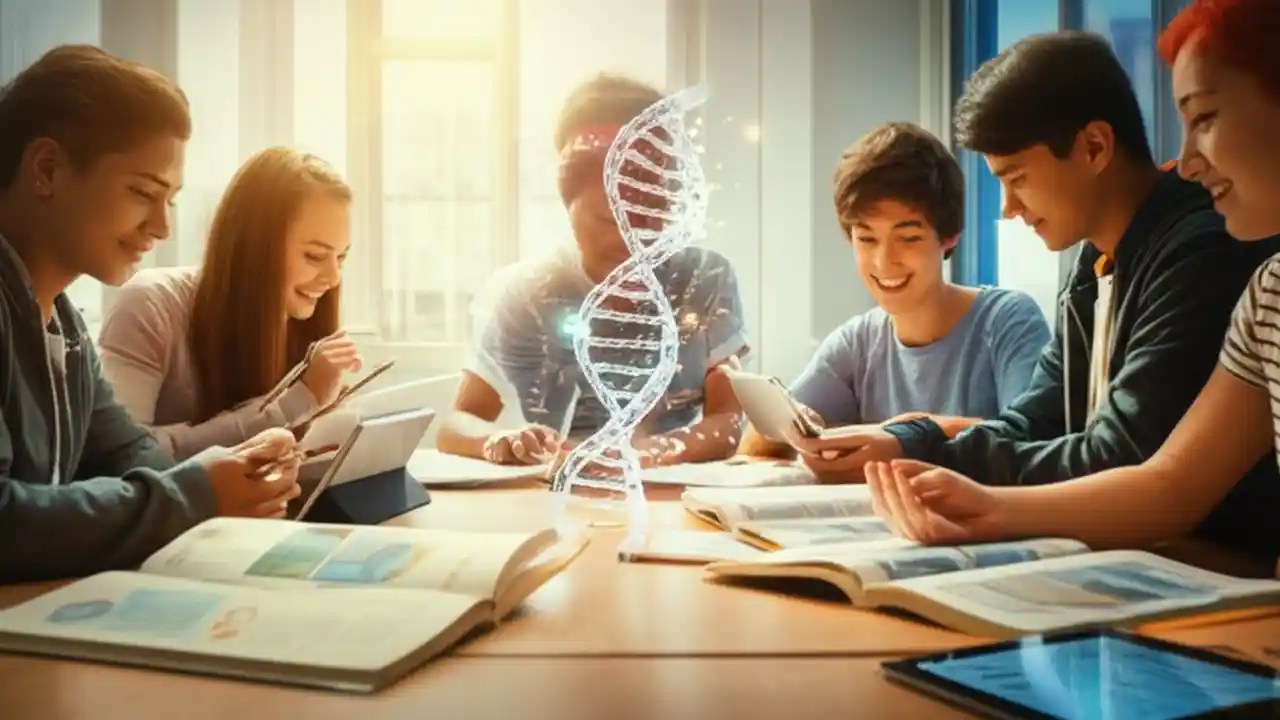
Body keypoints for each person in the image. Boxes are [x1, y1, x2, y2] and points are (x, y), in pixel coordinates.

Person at [792, 29, 1280, 557]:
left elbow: (1125, 459)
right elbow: (1040, 421)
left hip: (1207, 564)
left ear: (1094, 147)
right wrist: (913, 447)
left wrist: (950, 473)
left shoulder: (1203, 250)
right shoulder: (1095, 266)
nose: (1007, 207)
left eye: (1017, 177)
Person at [0, 46, 301, 582]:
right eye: (143, 192)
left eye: (171, 201)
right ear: (47, 168)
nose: (161, 227)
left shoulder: (64, 327)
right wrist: (196, 495)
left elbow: (129, 456)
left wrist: (236, 472)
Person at [435, 74, 748, 468]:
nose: (629, 240)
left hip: (667, 486)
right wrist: (496, 440)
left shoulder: (705, 279)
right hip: (553, 486)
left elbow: (728, 421)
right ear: (567, 204)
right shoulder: (528, 293)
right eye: (607, 219)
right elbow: (457, 423)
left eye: (649, 217)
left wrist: (644, 454)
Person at [739, 122, 1049, 461]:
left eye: (908, 238)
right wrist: (799, 430)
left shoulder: (1007, 320)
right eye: (866, 238)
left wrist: (909, 433)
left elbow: (1033, 438)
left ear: (949, 236)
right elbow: (759, 444)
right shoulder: (856, 343)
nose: (883, 261)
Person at [98, 147, 360, 461]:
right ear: (254, 248)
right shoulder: (150, 305)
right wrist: (296, 403)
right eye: (314, 256)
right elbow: (122, 458)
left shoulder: (302, 326)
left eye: (341, 258)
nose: (333, 278)